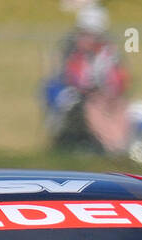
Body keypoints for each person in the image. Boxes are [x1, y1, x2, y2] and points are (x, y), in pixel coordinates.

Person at [47, 5, 131, 155]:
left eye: (92, 35)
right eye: (85, 34)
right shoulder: (73, 52)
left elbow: (117, 77)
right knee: (94, 106)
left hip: (105, 96)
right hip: (80, 97)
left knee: (120, 106)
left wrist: (112, 92)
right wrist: (96, 92)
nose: (88, 38)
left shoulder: (108, 52)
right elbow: (74, 79)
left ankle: (121, 148)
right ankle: (112, 149)